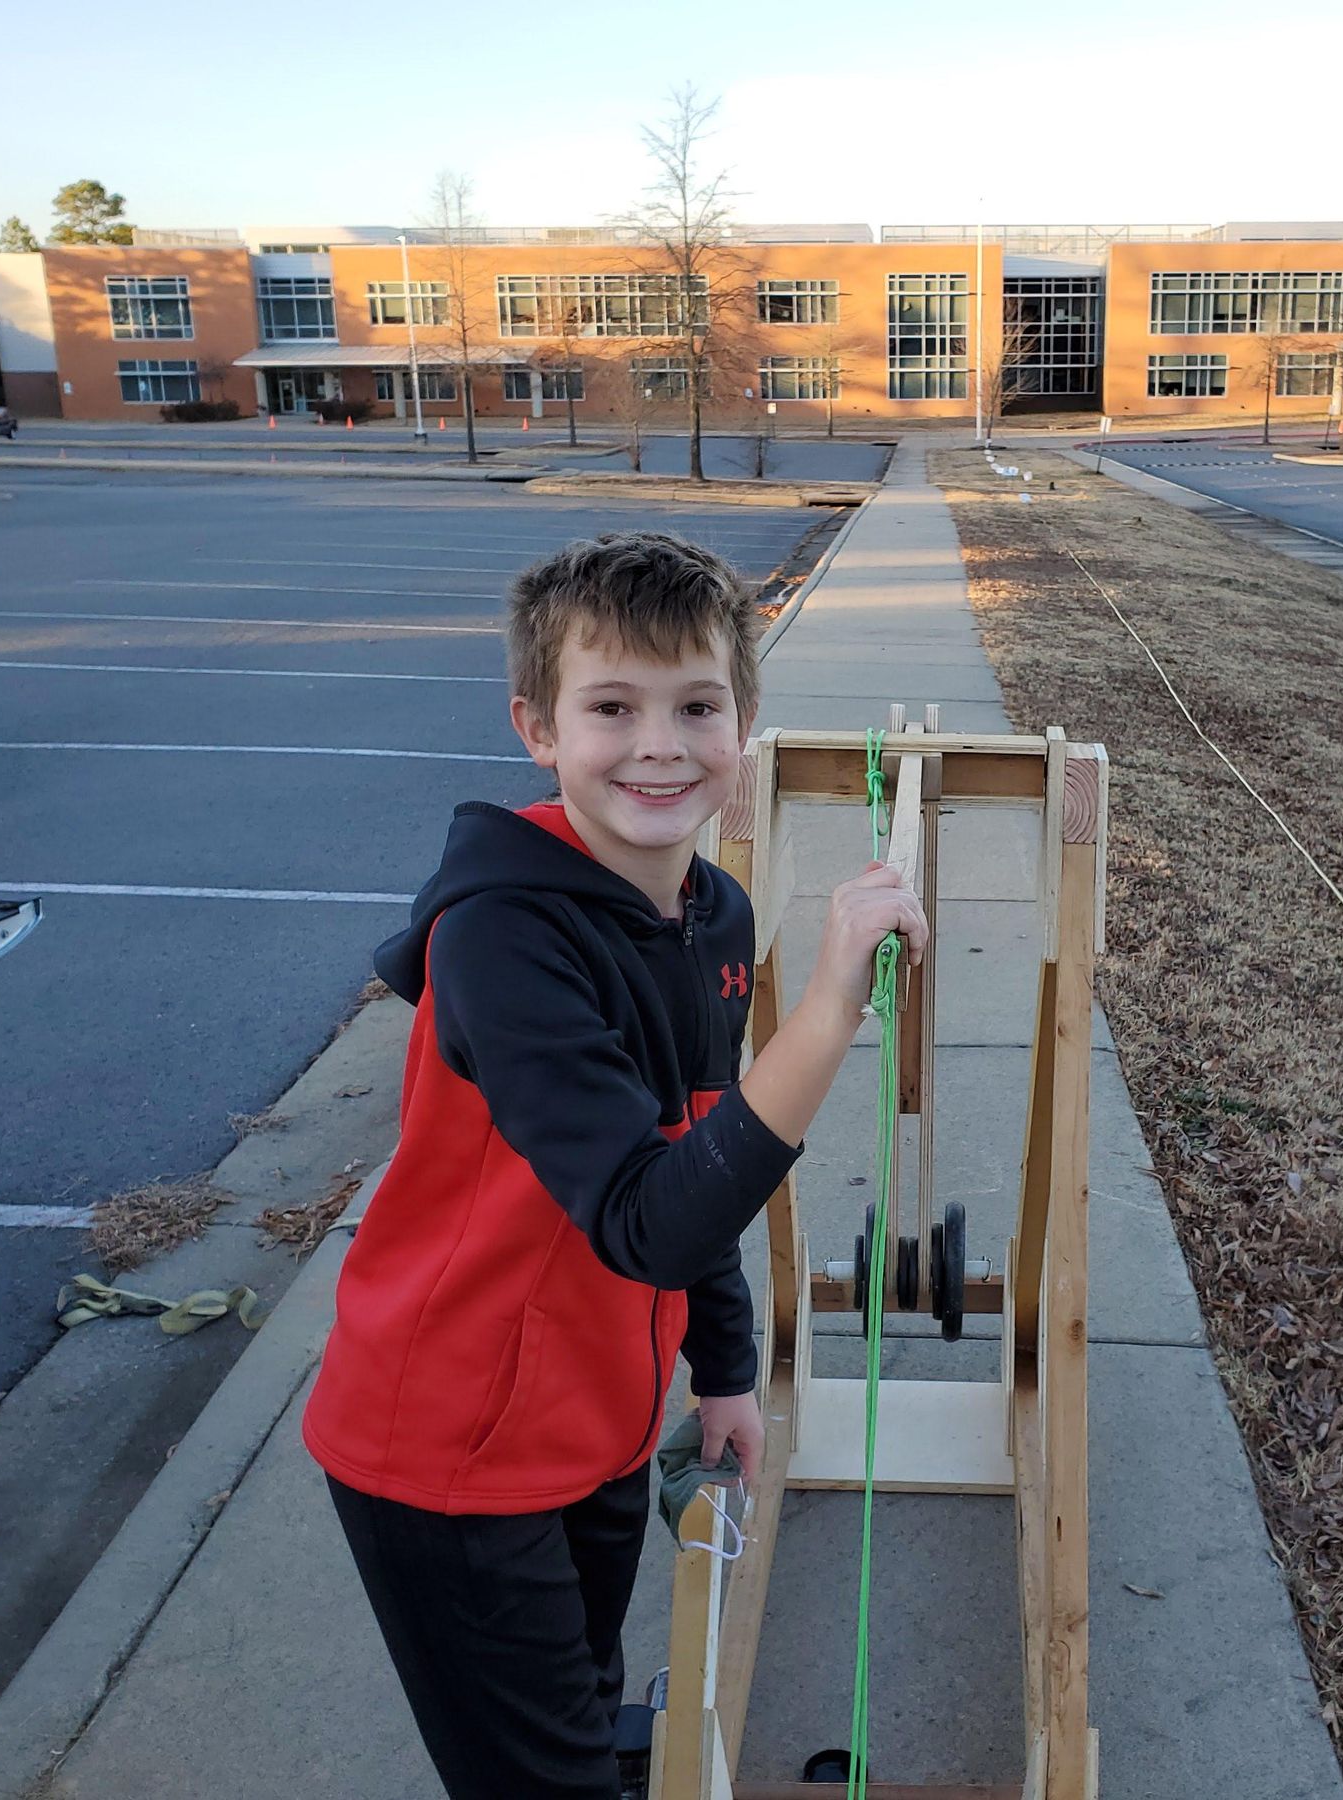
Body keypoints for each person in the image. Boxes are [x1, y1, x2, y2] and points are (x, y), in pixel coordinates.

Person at [302, 531, 926, 1799]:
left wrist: (726, 1374)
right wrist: (826, 1013)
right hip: (452, 1449)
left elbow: (699, 1152)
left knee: (583, 1710)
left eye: (697, 705)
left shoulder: (713, 913)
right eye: (612, 707)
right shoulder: (501, 940)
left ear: (743, 721)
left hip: (595, 1419)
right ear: (538, 728)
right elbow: (644, 1218)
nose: (659, 744)